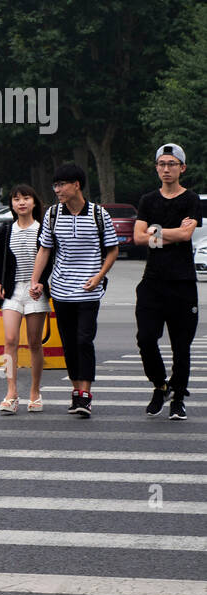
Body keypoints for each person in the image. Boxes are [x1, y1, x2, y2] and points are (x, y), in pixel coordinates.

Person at [28, 162, 119, 418]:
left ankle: (86, 395)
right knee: (69, 342)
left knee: (84, 340)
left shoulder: (99, 214)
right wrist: (36, 282)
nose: (57, 189)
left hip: (89, 290)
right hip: (60, 289)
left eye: (61, 184)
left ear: (76, 185)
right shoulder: (52, 214)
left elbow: (112, 250)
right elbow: (45, 249)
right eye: (55, 185)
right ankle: (76, 392)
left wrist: (99, 276)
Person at [133, 143, 200, 419]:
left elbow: (186, 236)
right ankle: (160, 385)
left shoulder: (191, 199)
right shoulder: (148, 200)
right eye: (162, 164)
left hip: (182, 282)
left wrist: (155, 231)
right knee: (146, 338)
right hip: (152, 281)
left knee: (181, 345)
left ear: (182, 167)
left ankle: (178, 397)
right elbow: (137, 238)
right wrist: (168, 233)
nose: (166, 169)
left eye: (172, 163)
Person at [0, 184, 48, 413]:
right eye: (16, 199)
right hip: (13, 292)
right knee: (10, 339)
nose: (21, 202)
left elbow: (50, 258)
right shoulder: (7, 230)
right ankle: (11, 393)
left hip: (36, 292)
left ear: (34, 202)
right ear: (11, 204)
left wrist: (42, 282)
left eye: (26, 198)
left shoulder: (43, 229)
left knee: (34, 342)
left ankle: (35, 392)